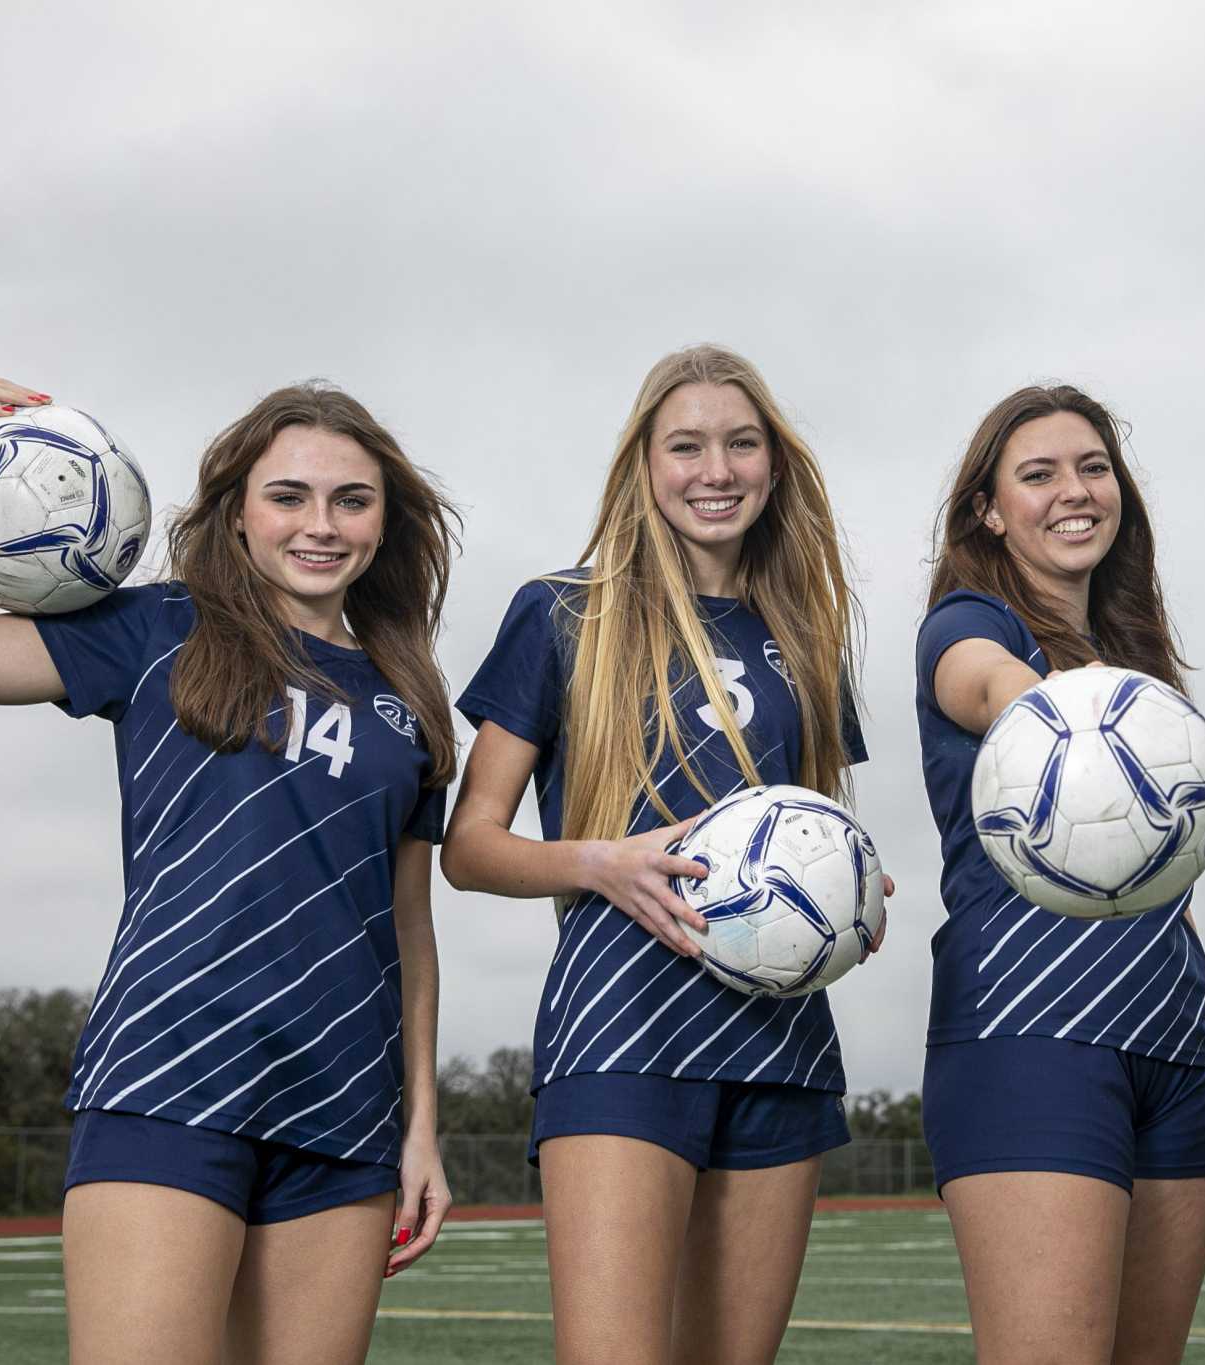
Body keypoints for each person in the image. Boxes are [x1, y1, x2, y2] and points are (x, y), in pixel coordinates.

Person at [0, 371, 458, 1365]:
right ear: (236, 515)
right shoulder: (154, 631)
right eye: (289, 496)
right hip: (167, 1076)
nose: (321, 524)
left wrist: (420, 1125)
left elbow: (408, 927)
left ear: (384, 522)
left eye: (351, 500)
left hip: (342, 1107)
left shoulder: (411, 701)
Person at [440, 344, 885, 1365]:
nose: (714, 471)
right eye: (686, 446)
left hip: (780, 1040)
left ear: (774, 463)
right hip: (621, 1028)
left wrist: (853, 896)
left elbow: (814, 824)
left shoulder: (805, 634)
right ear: (643, 463)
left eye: (740, 444)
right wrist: (601, 864)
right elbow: (469, 847)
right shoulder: (563, 611)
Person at [914, 384, 1205, 1365]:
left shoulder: (1136, 667)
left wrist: (1204, 1076)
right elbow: (982, 683)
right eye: (1039, 474)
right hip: (1032, 1036)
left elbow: (1162, 890)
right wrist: (1054, 708)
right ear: (988, 509)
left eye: (1093, 467)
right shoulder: (970, 623)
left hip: (1169, 1053)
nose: (1075, 490)